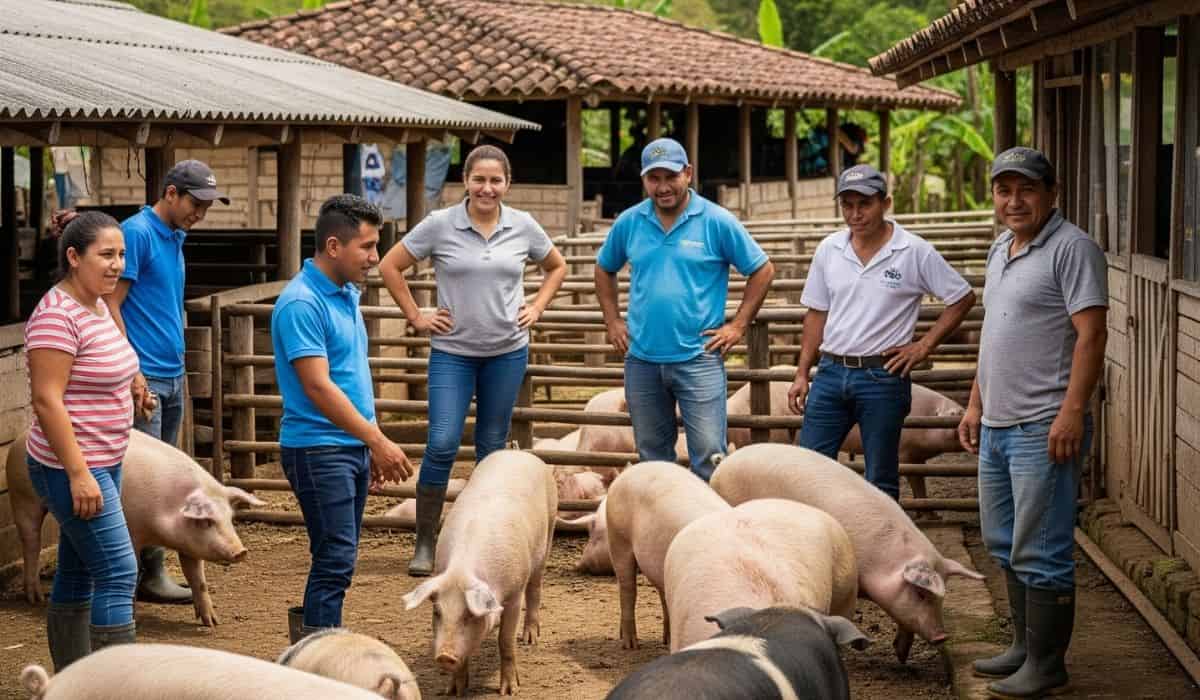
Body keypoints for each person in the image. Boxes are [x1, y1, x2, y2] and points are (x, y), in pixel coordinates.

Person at [959, 147, 1107, 698]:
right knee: (1003, 540)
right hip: (998, 422)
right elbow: (995, 334)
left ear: (1051, 193)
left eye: (1026, 190)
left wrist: (1072, 411)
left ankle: (1047, 665)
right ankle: (1023, 647)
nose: (1014, 200)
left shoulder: (1072, 249)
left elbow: (1091, 335)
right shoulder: (1002, 248)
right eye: (1004, 190)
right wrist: (976, 403)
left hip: (1043, 423)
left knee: (1041, 547)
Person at [380, 144, 567, 577]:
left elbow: (555, 266)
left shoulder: (522, 225)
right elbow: (391, 265)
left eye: (495, 180)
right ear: (465, 181)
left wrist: (537, 307)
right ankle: (426, 540)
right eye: (479, 179)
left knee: (491, 451)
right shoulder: (441, 225)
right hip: (453, 354)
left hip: (506, 351)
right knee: (442, 442)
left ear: (507, 184)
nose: (487, 188)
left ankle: (483, 537)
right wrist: (415, 316)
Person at [787, 164, 975, 501]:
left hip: (882, 374)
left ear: (885, 204)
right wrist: (802, 372)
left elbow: (961, 297)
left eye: (865, 204)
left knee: (881, 475)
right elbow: (816, 312)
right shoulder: (830, 248)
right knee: (808, 466)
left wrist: (923, 346)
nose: (855, 214)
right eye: (848, 205)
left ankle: (880, 550)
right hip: (830, 370)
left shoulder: (913, 250)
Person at [272, 194, 413, 638]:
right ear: (334, 246)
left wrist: (366, 442)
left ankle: (315, 645)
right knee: (335, 556)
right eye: (368, 247)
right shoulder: (301, 303)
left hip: (345, 444)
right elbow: (318, 386)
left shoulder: (346, 293)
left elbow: (351, 378)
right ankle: (320, 655)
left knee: (338, 556)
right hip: (317, 447)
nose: (375, 258)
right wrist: (376, 441)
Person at [595, 137, 775, 481]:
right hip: (643, 358)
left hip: (698, 357)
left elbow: (762, 269)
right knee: (652, 456)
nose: (663, 187)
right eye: (654, 178)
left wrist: (738, 325)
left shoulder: (716, 220)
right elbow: (604, 268)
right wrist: (613, 320)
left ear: (687, 173)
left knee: (709, 454)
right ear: (644, 180)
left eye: (670, 176)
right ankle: (662, 530)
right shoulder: (630, 222)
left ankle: (710, 531)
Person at [106, 159, 229, 604]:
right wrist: (131, 369)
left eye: (207, 205)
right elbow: (112, 303)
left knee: (165, 475)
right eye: (196, 203)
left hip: (171, 372)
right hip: (147, 374)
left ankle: (148, 571)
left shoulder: (176, 236)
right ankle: (143, 572)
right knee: (148, 483)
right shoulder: (137, 234)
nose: (201, 213)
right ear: (172, 193)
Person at [25, 211, 142, 670]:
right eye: (106, 255)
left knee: (77, 573)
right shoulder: (56, 316)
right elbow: (46, 400)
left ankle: (73, 683)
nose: (117, 265)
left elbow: (102, 368)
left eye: (121, 255)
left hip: (104, 458)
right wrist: (78, 473)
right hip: (72, 465)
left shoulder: (96, 304)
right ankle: (116, 686)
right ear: (74, 257)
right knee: (118, 572)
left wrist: (134, 386)